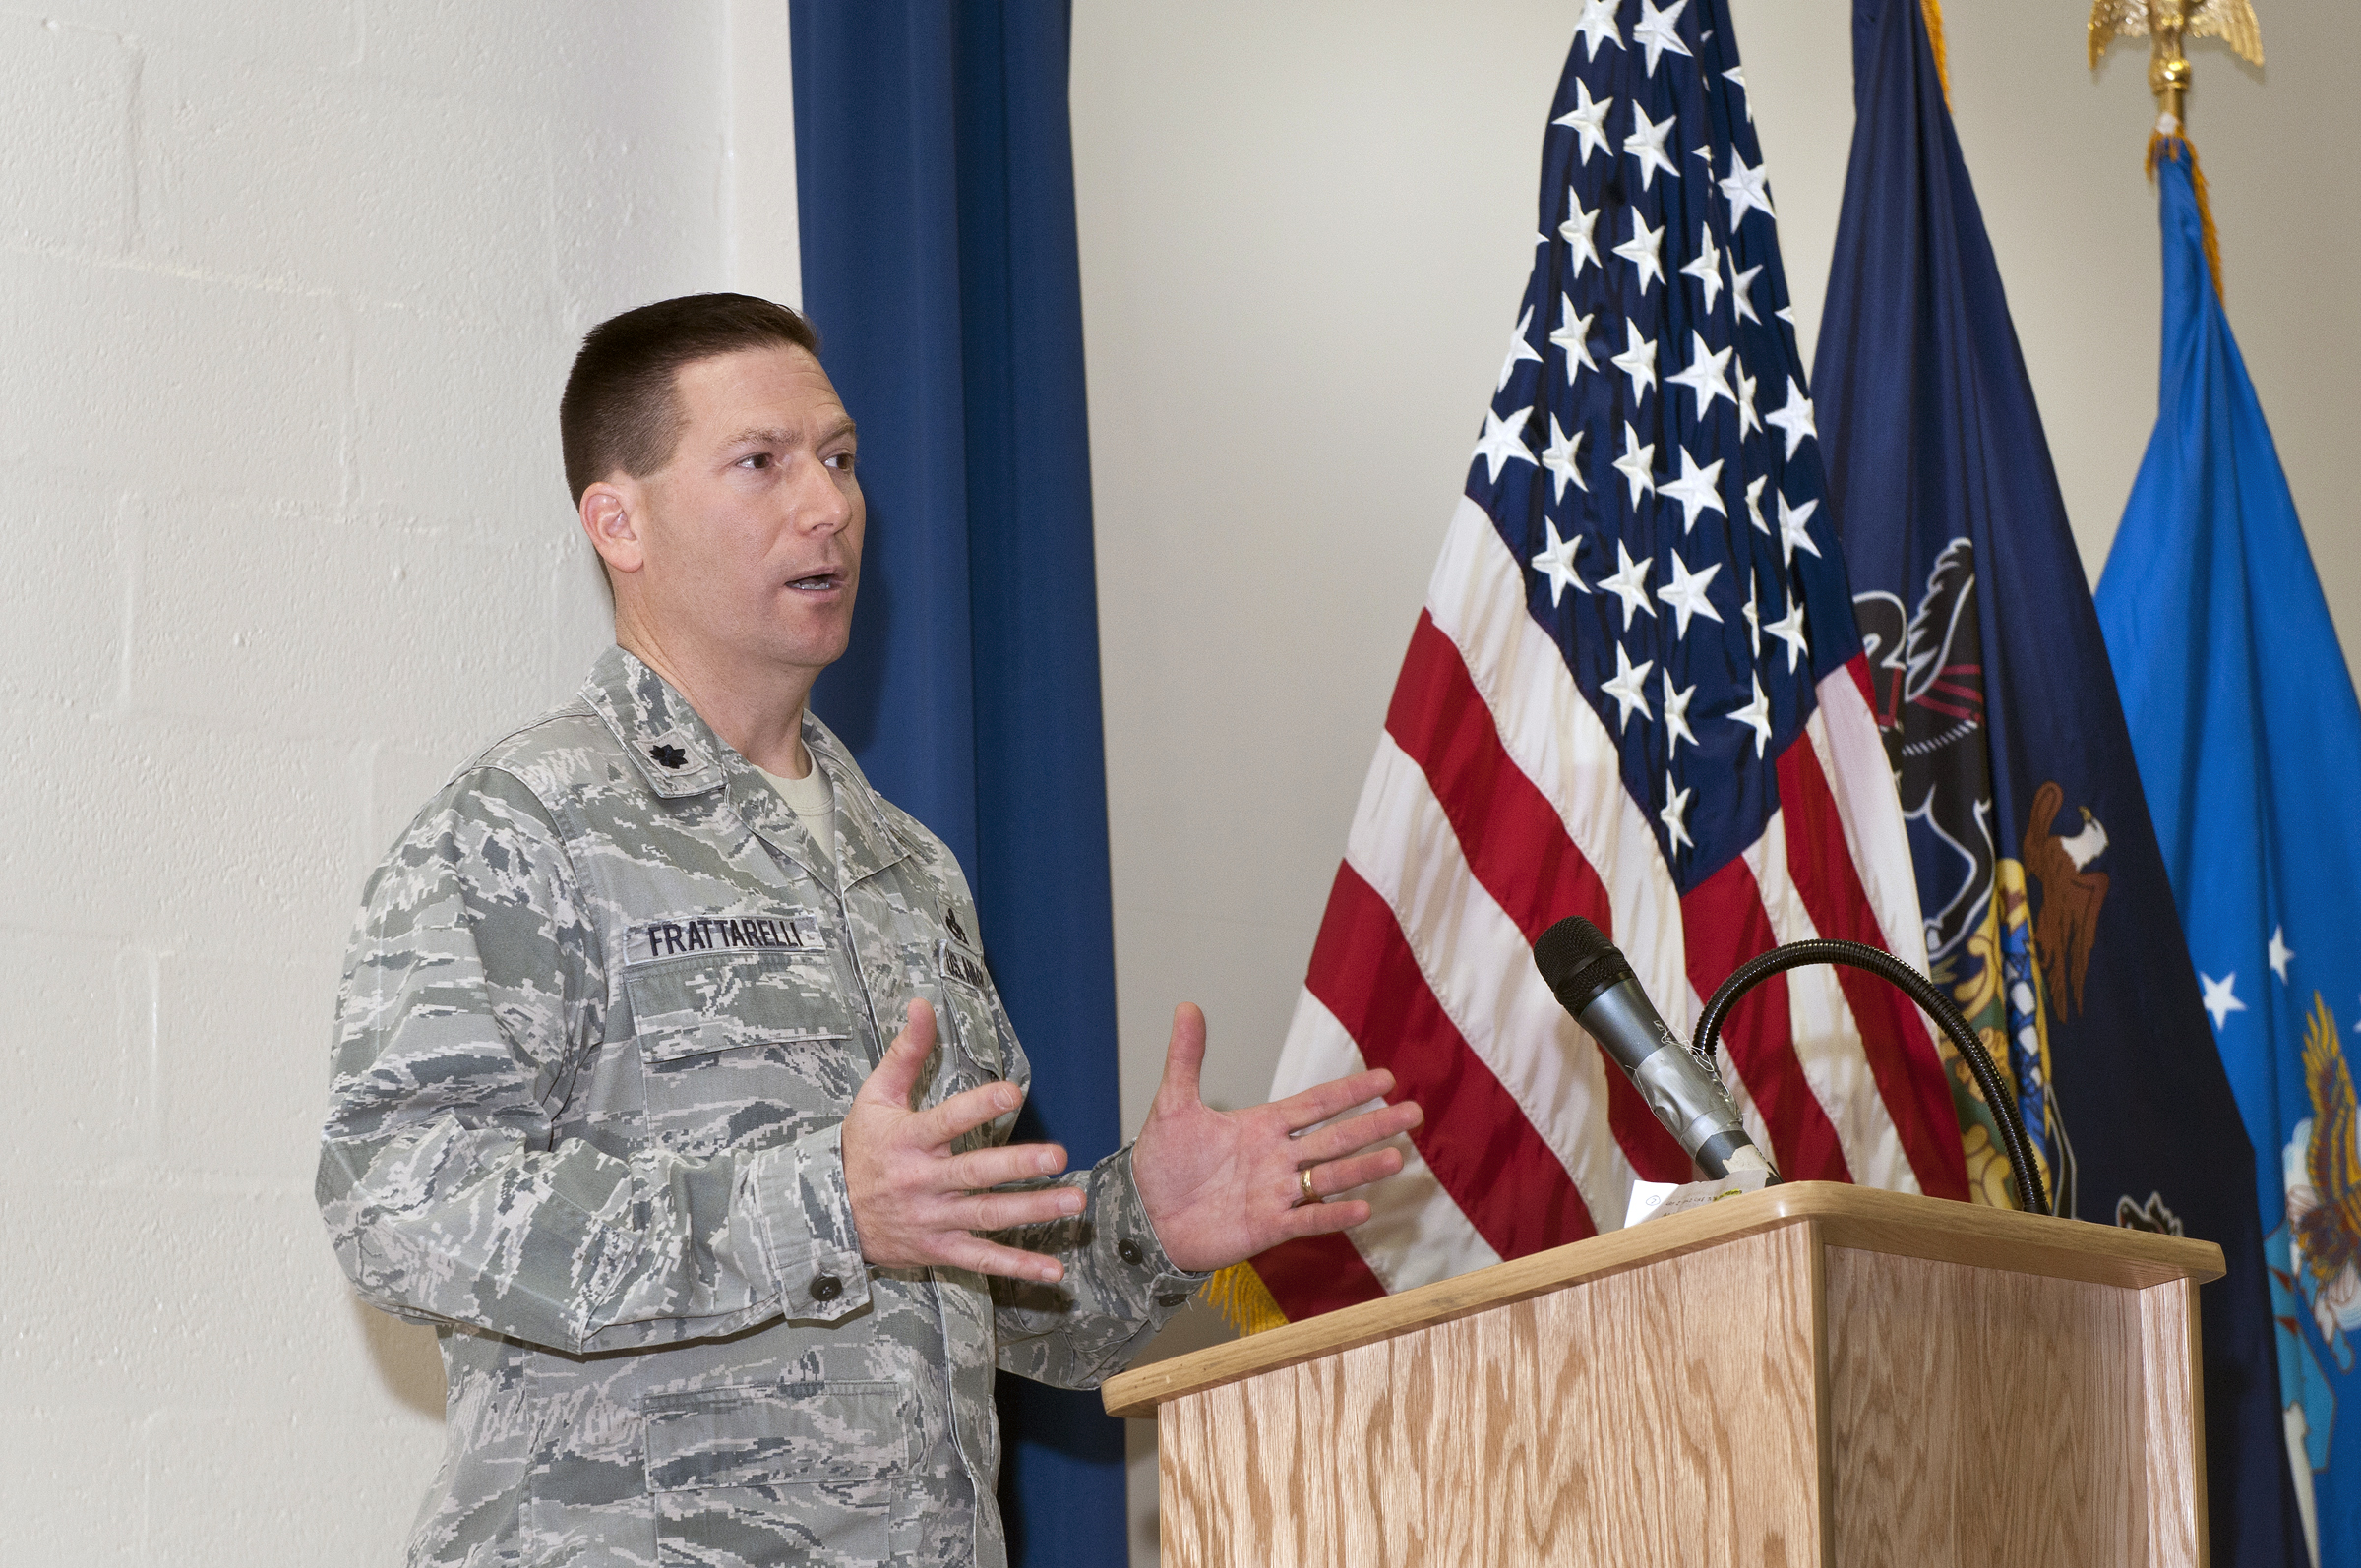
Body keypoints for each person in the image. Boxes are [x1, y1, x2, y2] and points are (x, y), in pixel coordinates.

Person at [317, 293, 1423, 1568]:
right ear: (617, 521)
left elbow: (987, 1285)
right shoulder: (526, 827)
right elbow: (395, 1202)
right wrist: (819, 1206)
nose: (829, 506)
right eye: (760, 462)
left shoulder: (907, 865)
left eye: (839, 458)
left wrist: (1143, 1225)